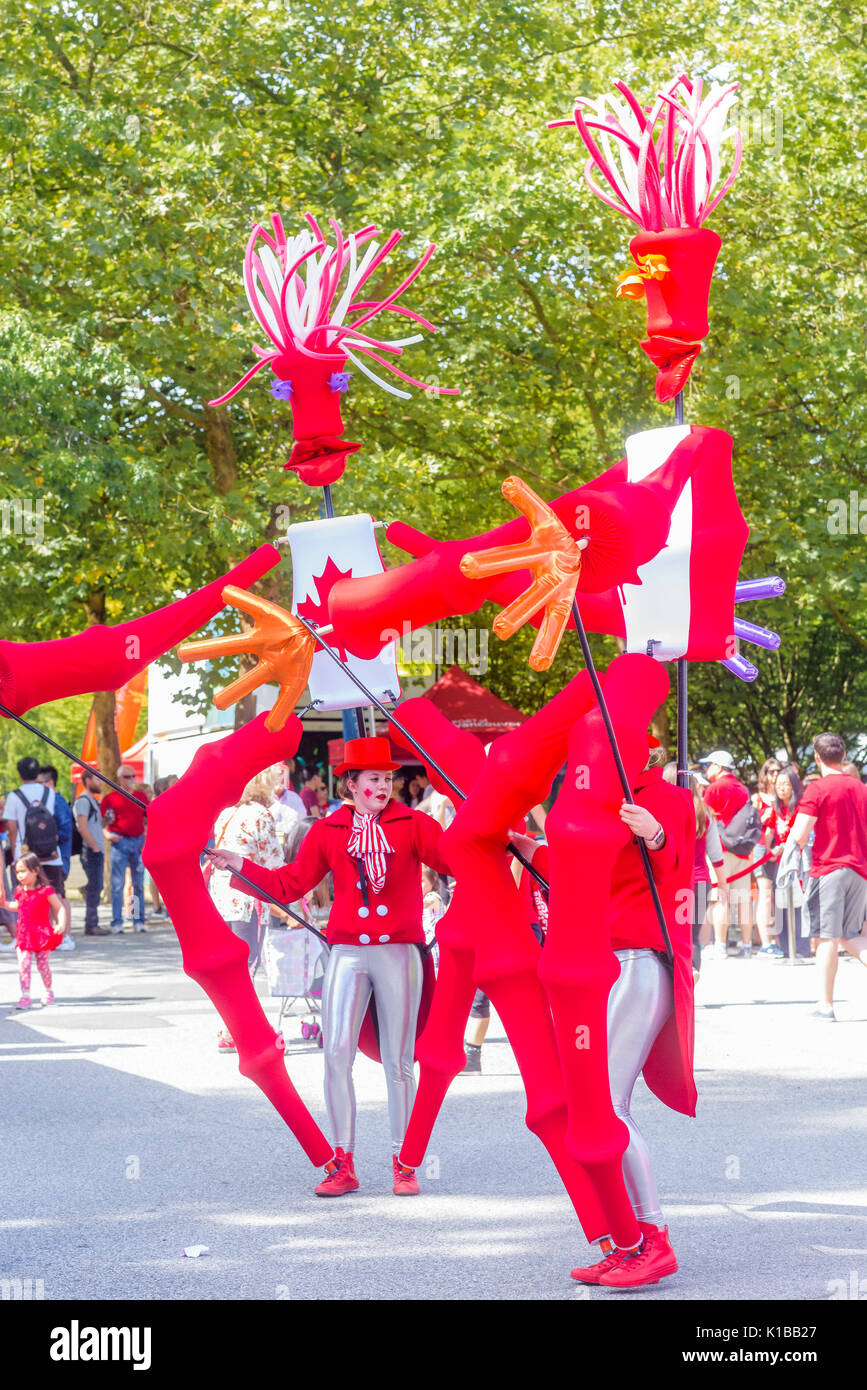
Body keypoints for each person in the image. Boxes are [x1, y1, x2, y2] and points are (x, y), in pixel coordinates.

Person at [207, 736, 450, 1198]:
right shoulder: (328, 830)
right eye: (374, 778)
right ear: (351, 784)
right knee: (336, 1056)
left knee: (400, 1061)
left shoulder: (414, 824)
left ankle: (406, 1162)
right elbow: (290, 883)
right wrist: (240, 865)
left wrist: (483, 828)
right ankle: (343, 1163)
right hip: (346, 952)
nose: (384, 786)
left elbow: (455, 860)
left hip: (400, 951)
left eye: (389, 778)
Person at [513, 739, 696, 1289]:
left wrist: (656, 834)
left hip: (641, 957)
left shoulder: (666, 796)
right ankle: (627, 1240)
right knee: (589, 1105)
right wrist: (529, 848)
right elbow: (581, 874)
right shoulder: (597, 800)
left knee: (607, 1105)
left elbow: (680, 866)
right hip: (600, 965)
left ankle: (653, 1240)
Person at [788, 733, 867, 1020]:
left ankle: (826, 1005)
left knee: (827, 938)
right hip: (859, 870)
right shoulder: (861, 788)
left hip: (828, 869)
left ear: (818, 758)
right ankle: (825, 1004)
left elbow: (799, 833)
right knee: (850, 935)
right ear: (843, 756)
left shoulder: (817, 789)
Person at [207, 773, 288, 1051]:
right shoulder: (260, 814)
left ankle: (230, 1027)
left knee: (232, 968)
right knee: (248, 966)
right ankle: (243, 1031)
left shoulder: (226, 813)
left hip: (221, 897)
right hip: (246, 898)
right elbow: (274, 860)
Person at [5, 756, 73, 951]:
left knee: (24, 897)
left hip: (26, 855)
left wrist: (16, 852)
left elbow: (12, 827)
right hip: (51, 853)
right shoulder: (49, 792)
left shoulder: (14, 796)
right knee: (56, 895)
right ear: (37, 774)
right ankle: (65, 938)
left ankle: (25, 938)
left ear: (19, 774)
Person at [699, 749, 754, 957]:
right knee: (743, 899)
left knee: (721, 896)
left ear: (719, 767)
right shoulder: (743, 789)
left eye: (709, 765)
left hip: (720, 851)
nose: (706, 769)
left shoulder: (714, 789)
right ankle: (747, 946)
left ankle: (720, 945)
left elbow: (705, 820)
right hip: (741, 850)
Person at [6, 853, 64, 1008]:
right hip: (24, 935)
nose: (20, 875)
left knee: (43, 965)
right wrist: (4, 904)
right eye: (17, 872)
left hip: (41, 934)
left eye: (23, 871)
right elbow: (19, 906)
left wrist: (61, 923)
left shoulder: (45, 890)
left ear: (36, 870)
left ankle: (48, 990)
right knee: (23, 965)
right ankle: (25, 995)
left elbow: (59, 907)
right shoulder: (19, 891)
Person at [100, 766, 150, 933]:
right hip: (119, 842)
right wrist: (107, 834)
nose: (131, 779)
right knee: (117, 884)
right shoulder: (110, 799)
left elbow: (148, 819)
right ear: (120, 779)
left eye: (133, 776)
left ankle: (137, 920)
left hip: (137, 841)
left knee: (138, 884)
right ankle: (117, 922)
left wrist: (145, 838)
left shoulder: (140, 797)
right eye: (127, 777)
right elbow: (102, 822)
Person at [752, 757, 784, 957]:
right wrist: (760, 819)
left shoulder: (783, 796)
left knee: (778, 897)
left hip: (780, 849)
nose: (774, 774)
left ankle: (781, 941)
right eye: (771, 771)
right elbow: (750, 826)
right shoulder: (757, 798)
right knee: (764, 896)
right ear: (765, 774)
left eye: (778, 771)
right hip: (761, 848)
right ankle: (766, 943)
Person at [73, 770, 109, 936]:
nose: (100, 782)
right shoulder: (83, 801)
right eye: (97, 779)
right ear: (87, 780)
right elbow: (82, 826)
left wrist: (106, 822)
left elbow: (93, 825)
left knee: (96, 886)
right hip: (91, 851)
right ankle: (91, 924)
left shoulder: (91, 801)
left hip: (95, 850)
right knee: (94, 887)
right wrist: (94, 846)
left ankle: (93, 922)